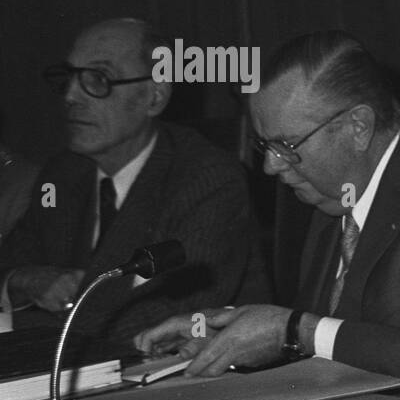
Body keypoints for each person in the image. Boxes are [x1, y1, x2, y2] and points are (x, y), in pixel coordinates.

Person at [136, 30, 400, 400]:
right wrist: (232, 336)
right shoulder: (330, 199)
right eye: (265, 145)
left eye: (286, 145)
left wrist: (292, 331)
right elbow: (335, 336)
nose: (271, 166)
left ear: (358, 127)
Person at [0, 18, 261, 351]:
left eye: (98, 79)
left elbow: (156, 319)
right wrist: (23, 281)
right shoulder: (62, 175)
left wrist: (17, 329)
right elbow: (8, 264)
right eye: (68, 78)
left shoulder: (208, 178)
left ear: (154, 97)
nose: (70, 96)